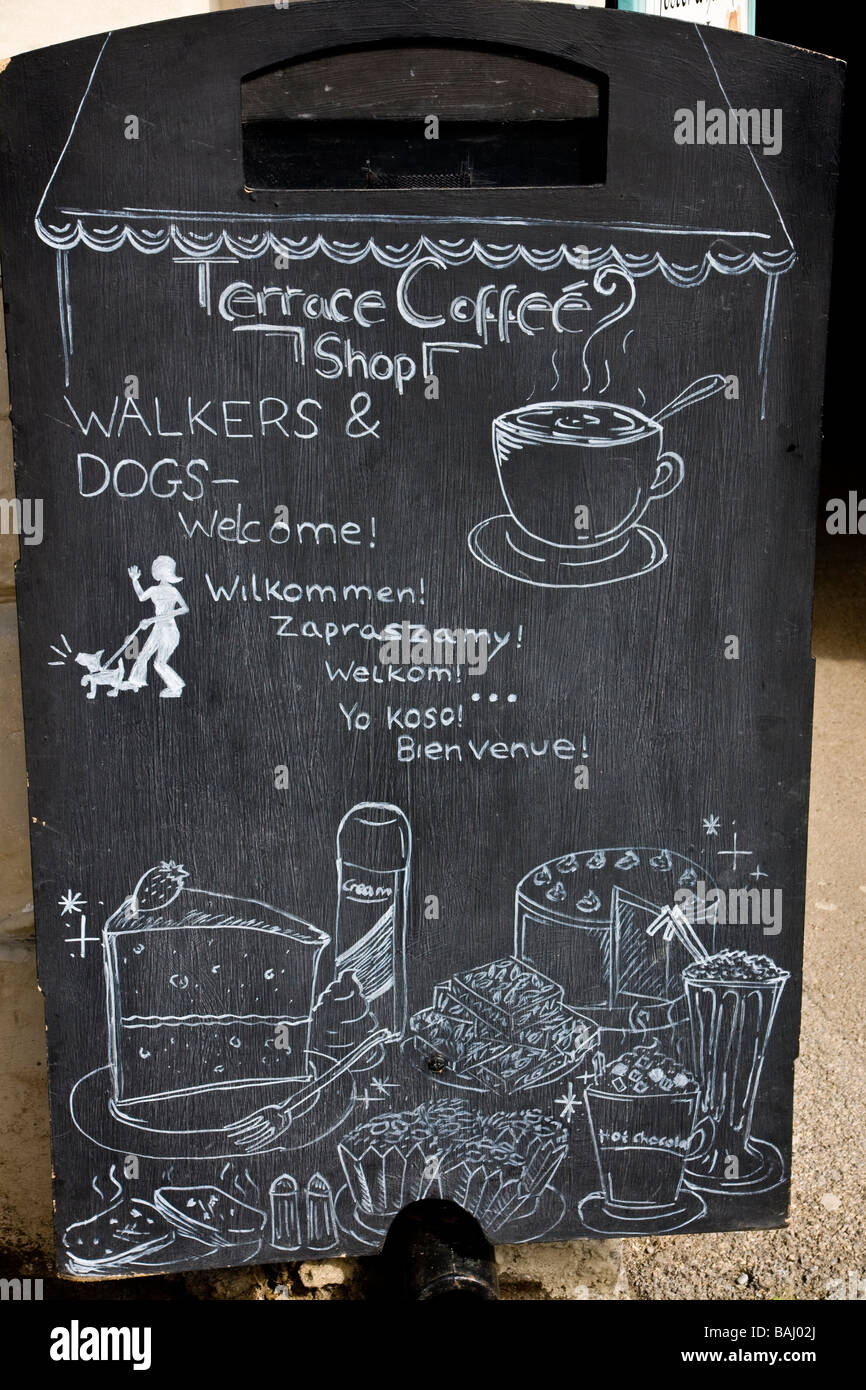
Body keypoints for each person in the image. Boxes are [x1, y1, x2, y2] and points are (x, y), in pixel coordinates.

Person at [125, 556, 188, 698]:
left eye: (165, 571)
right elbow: (141, 597)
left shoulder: (173, 591)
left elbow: (184, 609)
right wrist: (135, 580)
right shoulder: (154, 589)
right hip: (158, 629)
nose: (163, 574)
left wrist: (151, 620)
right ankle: (136, 682)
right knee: (143, 655)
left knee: (159, 663)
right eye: (161, 571)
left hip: (169, 630)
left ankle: (176, 688)